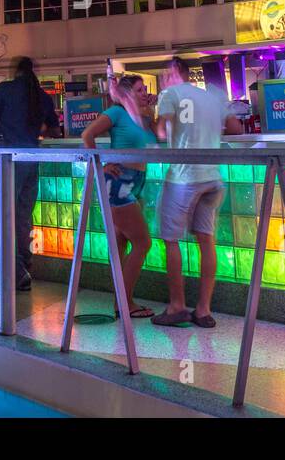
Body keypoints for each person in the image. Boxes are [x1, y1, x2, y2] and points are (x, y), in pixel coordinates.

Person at [152, 56, 243, 328]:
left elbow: (159, 131)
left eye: (165, 74)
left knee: (171, 239)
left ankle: (177, 306)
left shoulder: (170, 94)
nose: (164, 79)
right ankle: (203, 310)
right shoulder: (213, 97)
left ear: (173, 73)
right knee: (207, 242)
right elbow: (236, 129)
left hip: (183, 177)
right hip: (212, 179)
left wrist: (156, 120)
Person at [80, 74, 157, 319]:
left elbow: (156, 139)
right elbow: (87, 135)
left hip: (136, 183)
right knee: (143, 243)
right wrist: (99, 165)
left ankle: (122, 303)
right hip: (120, 182)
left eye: (145, 89)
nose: (144, 92)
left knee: (123, 244)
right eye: (139, 89)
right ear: (126, 94)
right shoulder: (116, 113)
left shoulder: (142, 118)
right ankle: (125, 303)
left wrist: (151, 110)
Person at [0, 56, 58, 291]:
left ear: (16, 71)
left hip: (7, 160)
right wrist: (38, 131)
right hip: (31, 160)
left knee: (2, 215)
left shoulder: (4, 90)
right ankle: (26, 265)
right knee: (23, 216)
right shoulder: (42, 96)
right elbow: (55, 130)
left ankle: (14, 272)